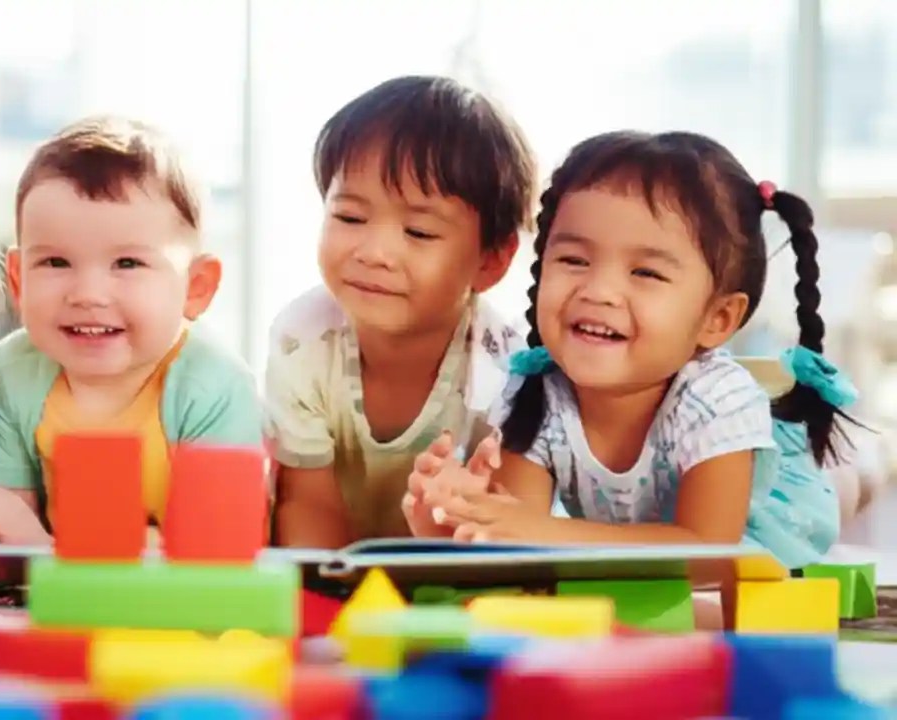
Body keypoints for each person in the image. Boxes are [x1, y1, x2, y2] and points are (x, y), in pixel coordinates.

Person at [411, 130, 861, 570]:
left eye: (645, 272)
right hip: (640, 545)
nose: (599, 291)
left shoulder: (716, 402)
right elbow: (517, 543)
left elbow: (708, 553)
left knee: (843, 484)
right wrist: (455, 518)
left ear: (718, 319)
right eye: (574, 260)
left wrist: (538, 531)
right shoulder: (534, 393)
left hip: (779, 512)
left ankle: (865, 471)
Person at [0, 115, 263, 543]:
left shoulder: (212, 385)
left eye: (127, 264)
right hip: (60, 586)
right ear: (18, 280)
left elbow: (221, 545)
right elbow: (6, 524)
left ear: (196, 288)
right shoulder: (13, 371)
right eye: (56, 262)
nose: (88, 294)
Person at [265, 75, 536, 547]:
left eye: (419, 232)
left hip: (455, 572)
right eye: (349, 217)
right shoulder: (302, 341)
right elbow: (308, 504)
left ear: (491, 260)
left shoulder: (507, 368)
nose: (374, 252)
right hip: (337, 571)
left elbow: (508, 522)